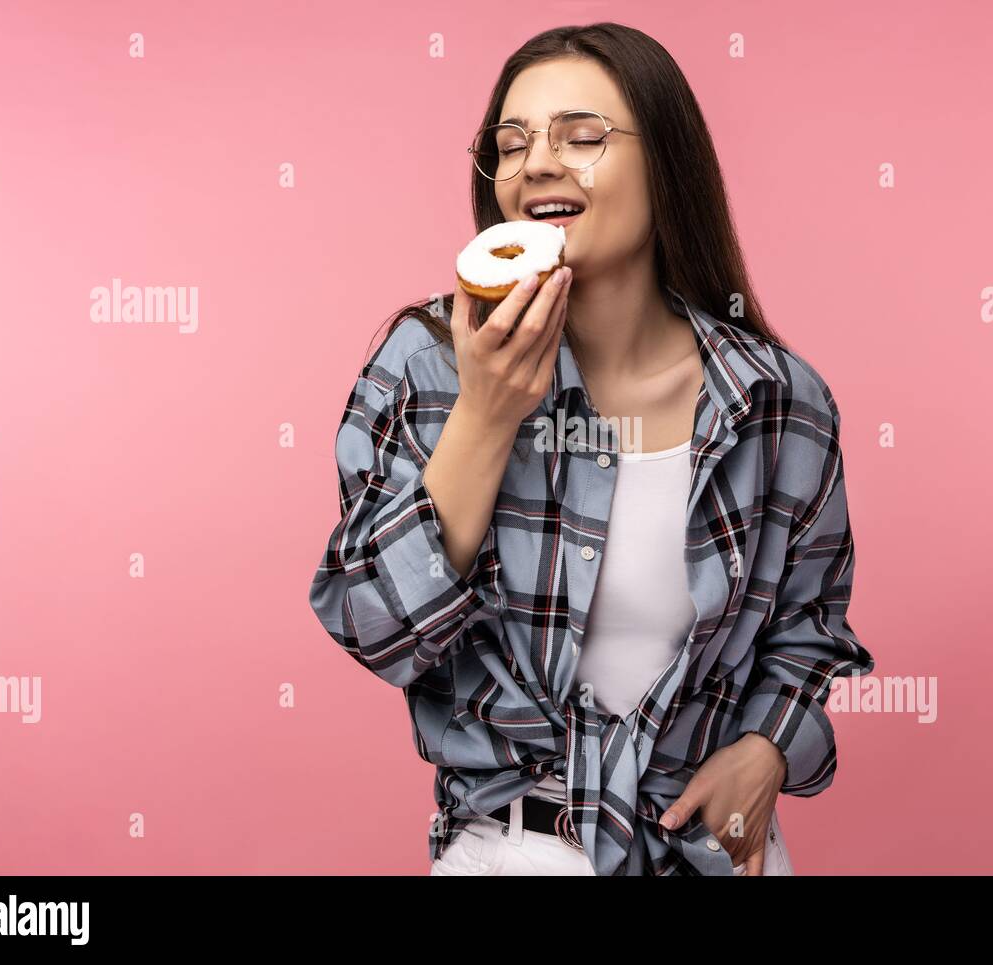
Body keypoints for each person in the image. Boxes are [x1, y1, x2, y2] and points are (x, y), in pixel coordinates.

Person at [308, 22, 875, 876]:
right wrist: (488, 413)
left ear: (667, 164)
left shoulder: (775, 398)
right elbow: (371, 622)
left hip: (707, 854)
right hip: (513, 853)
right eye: (511, 143)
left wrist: (769, 748)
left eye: (582, 137)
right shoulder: (426, 366)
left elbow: (809, 632)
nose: (536, 163)